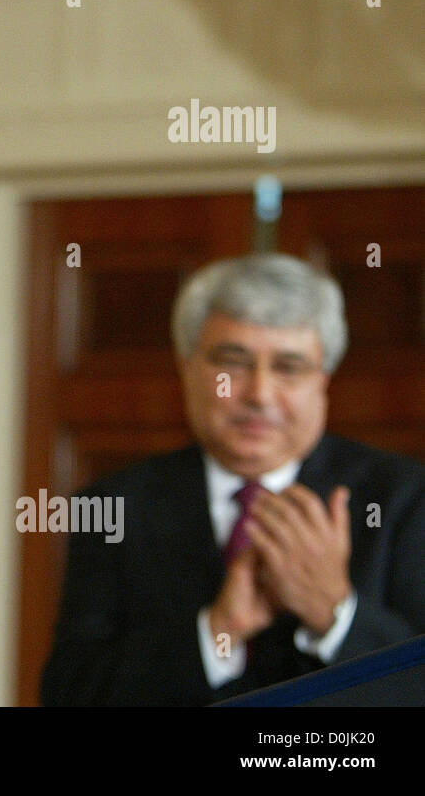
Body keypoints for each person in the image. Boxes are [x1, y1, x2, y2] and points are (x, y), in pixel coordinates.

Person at [40, 253, 425, 705]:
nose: (259, 394)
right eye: (233, 361)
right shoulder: (114, 505)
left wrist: (335, 614)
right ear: (186, 367)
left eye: (289, 367)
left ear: (324, 380)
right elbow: (69, 695)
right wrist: (217, 633)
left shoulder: (405, 498)